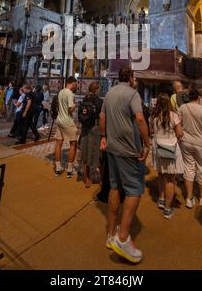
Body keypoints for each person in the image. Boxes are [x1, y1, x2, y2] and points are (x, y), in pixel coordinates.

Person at [100, 67, 150, 264]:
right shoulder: (133, 93)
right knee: (134, 190)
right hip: (129, 150)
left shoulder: (109, 93)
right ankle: (122, 238)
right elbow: (139, 118)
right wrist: (147, 143)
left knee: (114, 187)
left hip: (111, 147)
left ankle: (111, 234)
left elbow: (102, 117)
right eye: (134, 78)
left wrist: (103, 137)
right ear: (130, 78)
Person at [151, 93, 184, 219]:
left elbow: (152, 131)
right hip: (170, 150)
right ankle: (168, 209)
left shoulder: (154, 116)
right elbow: (180, 133)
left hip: (158, 149)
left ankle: (161, 198)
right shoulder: (173, 116)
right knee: (170, 179)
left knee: (160, 174)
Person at [179, 89, 202, 208]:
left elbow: (179, 123)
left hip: (186, 142)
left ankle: (189, 198)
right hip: (200, 143)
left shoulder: (182, 107)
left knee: (189, 168)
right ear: (198, 98)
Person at [78, 82, 103, 188]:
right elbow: (101, 117)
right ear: (97, 89)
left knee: (85, 152)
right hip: (95, 129)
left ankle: (87, 178)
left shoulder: (84, 99)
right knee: (97, 153)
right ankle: (101, 179)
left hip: (84, 129)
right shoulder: (99, 101)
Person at [54, 76, 78, 178]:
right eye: (76, 83)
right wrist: (75, 106)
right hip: (67, 121)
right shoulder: (70, 93)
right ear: (72, 83)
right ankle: (70, 169)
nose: (76, 85)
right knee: (73, 143)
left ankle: (58, 167)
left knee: (59, 143)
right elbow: (70, 109)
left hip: (59, 120)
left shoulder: (61, 92)